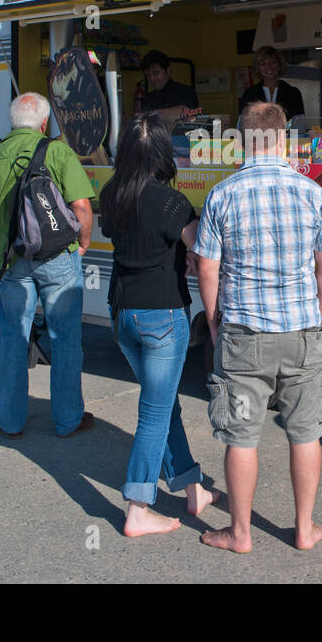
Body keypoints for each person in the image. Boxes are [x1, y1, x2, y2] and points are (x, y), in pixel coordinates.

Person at [193, 102, 322, 553]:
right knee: (306, 431)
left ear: (242, 140)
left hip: (243, 334)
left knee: (240, 436)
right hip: (301, 333)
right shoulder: (310, 192)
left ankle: (239, 534)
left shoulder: (222, 194)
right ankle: (304, 528)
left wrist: (216, 323)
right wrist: (314, 310)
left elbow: (207, 269)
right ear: (283, 140)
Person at [99, 113, 220, 536]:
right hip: (162, 315)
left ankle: (191, 486)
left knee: (163, 403)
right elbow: (202, 250)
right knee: (154, 412)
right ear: (164, 154)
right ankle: (137, 506)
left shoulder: (112, 193)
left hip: (123, 313)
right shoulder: (170, 201)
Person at [0, 92, 95, 438]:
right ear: (44, 123)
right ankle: (67, 419)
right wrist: (81, 246)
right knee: (65, 339)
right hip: (58, 258)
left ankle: (9, 420)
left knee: (14, 339)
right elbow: (81, 207)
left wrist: (1, 250)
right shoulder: (58, 152)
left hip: (12, 265)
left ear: (11, 123)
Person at [239, 45, 305, 120]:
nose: (268, 67)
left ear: (279, 65)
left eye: (273, 62)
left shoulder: (293, 93)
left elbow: (299, 125)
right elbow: (243, 125)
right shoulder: (249, 95)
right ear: (258, 68)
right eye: (263, 64)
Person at [136, 50, 199, 127]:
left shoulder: (186, 92)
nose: (152, 79)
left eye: (156, 73)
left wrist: (150, 115)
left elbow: (187, 113)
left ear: (168, 71)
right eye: (148, 75)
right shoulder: (148, 98)